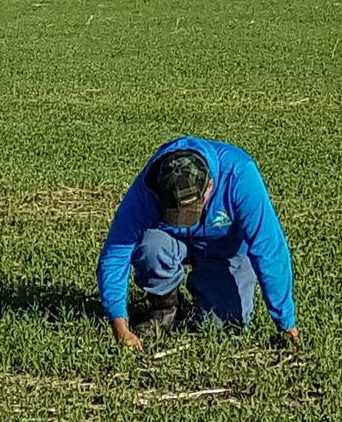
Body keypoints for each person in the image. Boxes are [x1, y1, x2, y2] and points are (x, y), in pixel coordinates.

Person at [98, 138, 299, 348]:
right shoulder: (148, 188)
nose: (183, 218)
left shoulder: (240, 175)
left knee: (226, 328)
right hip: (170, 242)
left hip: (225, 250)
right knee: (151, 245)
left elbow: (269, 250)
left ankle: (205, 298)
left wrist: (286, 325)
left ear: (209, 186)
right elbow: (115, 254)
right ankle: (166, 306)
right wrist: (120, 328)